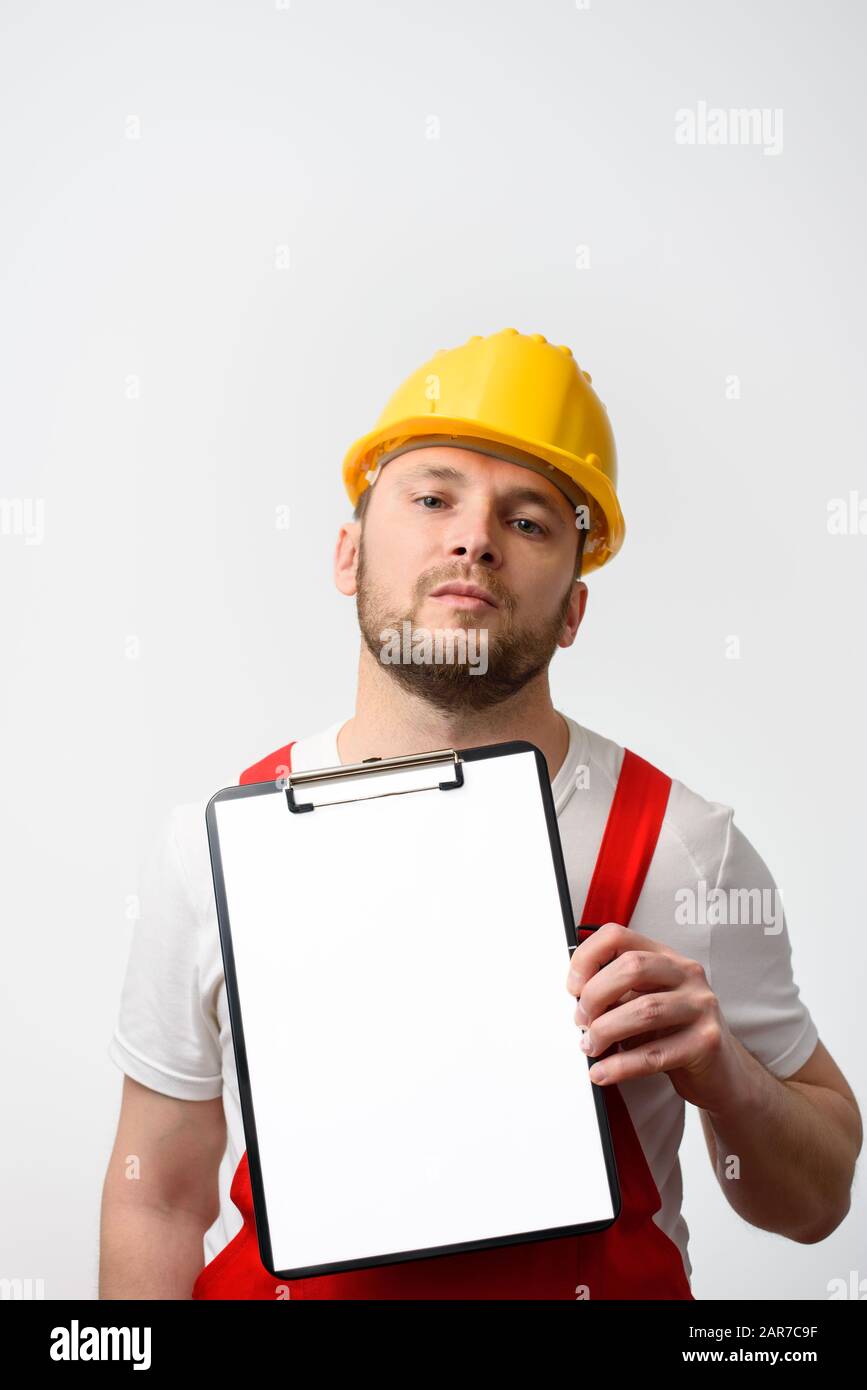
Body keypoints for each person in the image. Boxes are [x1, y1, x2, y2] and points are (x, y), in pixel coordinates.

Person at [99, 328, 861, 1300]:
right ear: (347, 552)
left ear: (574, 609)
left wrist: (726, 1073)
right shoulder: (213, 847)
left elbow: (815, 1204)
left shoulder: (686, 847)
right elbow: (154, 1196)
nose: (474, 538)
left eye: (532, 520)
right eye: (431, 497)